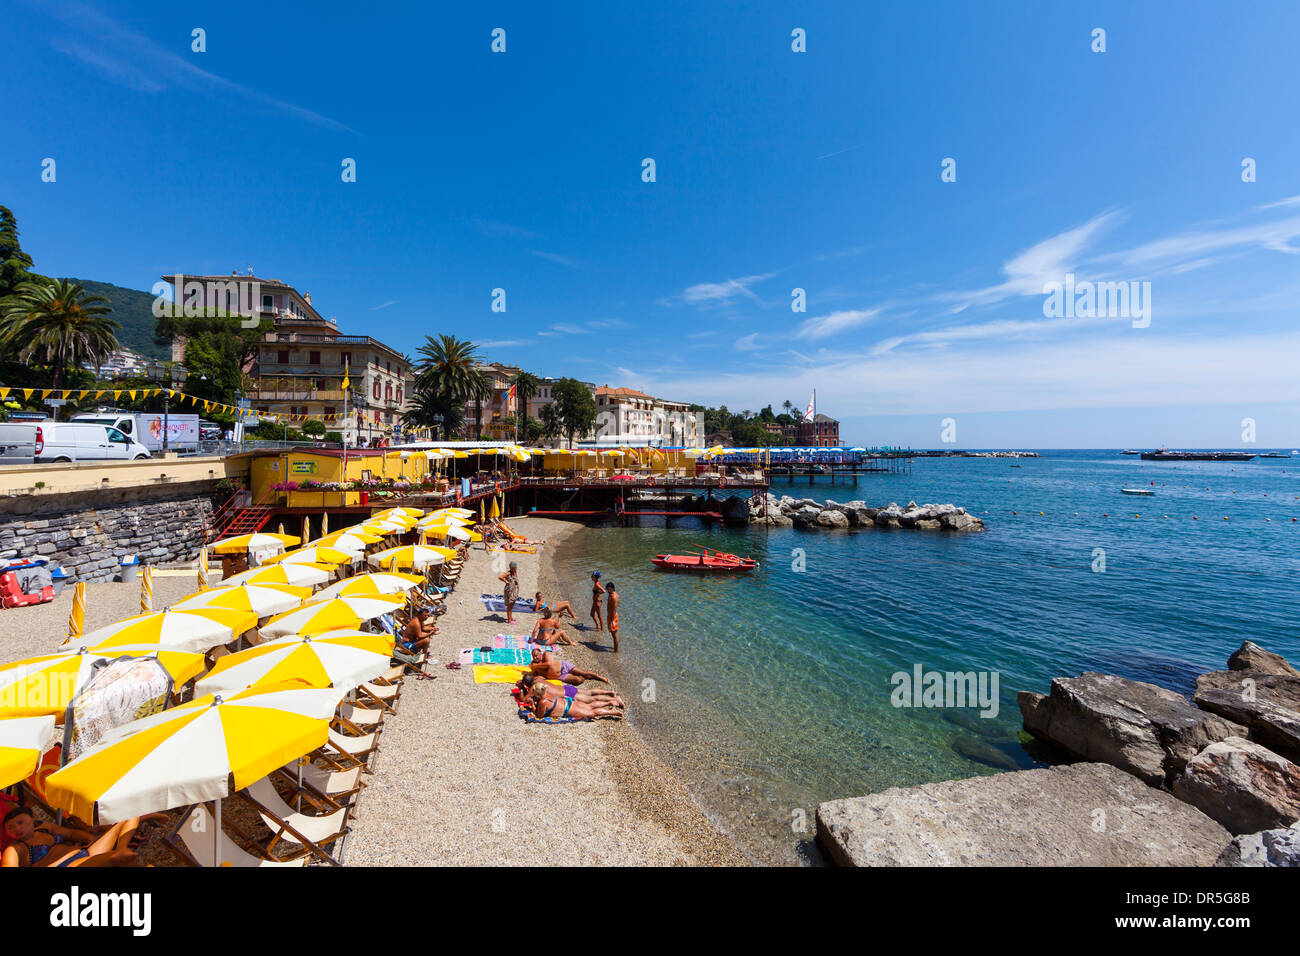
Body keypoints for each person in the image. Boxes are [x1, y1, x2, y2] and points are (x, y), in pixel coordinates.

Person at [1, 807, 167, 868]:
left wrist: (88, 837)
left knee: (130, 815)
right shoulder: (15, 849)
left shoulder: (45, 828)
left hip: (84, 853)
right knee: (120, 859)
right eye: (11, 827)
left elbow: (70, 834)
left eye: (20, 822)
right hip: (68, 865)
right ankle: (121, 851)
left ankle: (124, 845)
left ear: (33, 817)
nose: (17, 829)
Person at [518, 673, 625, 709]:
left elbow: (523, 700)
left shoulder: (534, 688)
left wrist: (521, 688)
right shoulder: (539, 679)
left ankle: (615, 700)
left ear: (527, 684)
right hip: (566, 688)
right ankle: (610, 692)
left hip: (568, 695)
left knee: (591, 699)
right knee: (588, 692)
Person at [528, 681, 623, 720]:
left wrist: (532, 704)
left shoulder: (543, 702)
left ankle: (612, 711)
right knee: (590, 704)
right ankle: (609, 702)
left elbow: (539, 716)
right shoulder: (548, 693)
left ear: (537, 693)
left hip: (568, 709)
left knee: (591, 713)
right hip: (569, 701)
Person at [528, 647, 606, 685]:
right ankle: (583, 676)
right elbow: (535, 675)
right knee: (579, 680)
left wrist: (535, 666)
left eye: (536, 655)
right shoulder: (534, 664)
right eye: (533, 656)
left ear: (540, 653)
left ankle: (600, 678)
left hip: (563, 666)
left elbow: (549, 664)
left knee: (584, 673)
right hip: (560, 676)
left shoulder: (545, 654)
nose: (535, 658)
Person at [606, 582, 620, 653]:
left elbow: (614, 610)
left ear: (613, 588)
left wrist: (611, 621)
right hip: (611, 616)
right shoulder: (612, 594)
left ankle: (616, 651)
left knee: (614, 635)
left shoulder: (614, 597)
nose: (608, 591)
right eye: (607, 589)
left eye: (610, 589)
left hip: (613, 617)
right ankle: (615, 648)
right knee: (614, 634)